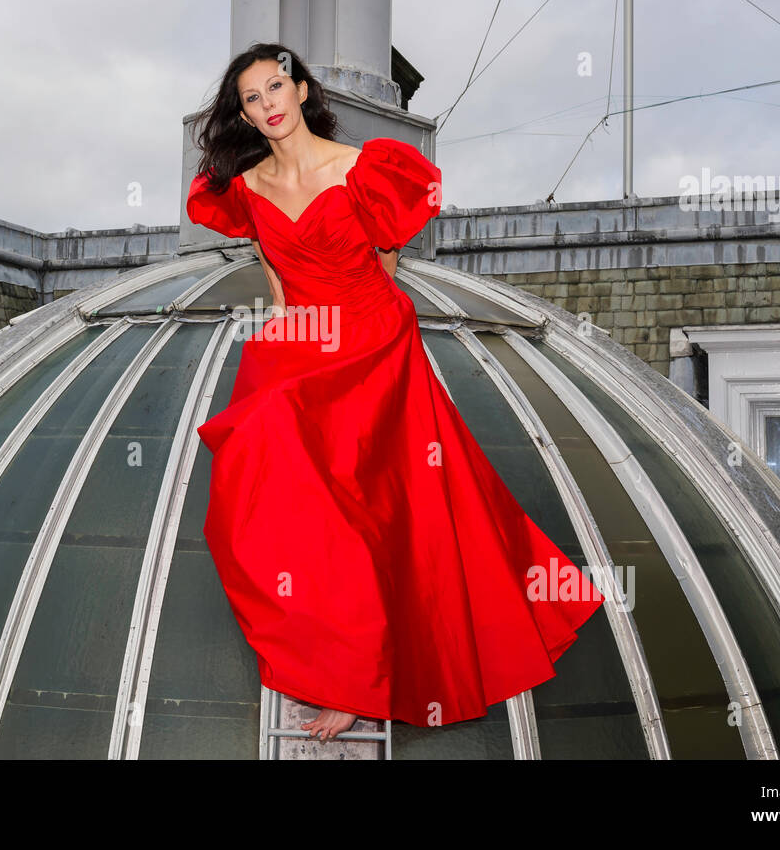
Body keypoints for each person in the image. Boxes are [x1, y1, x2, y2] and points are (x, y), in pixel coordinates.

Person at [186, 42, 605, 744]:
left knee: (376, 509)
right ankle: (324, 644)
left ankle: (357, 676)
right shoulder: (247, 187)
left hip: (373, 337)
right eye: (252, 98)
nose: (268, 104)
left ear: (301, 88)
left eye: (276, 87)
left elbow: (388, 258)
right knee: (251, 475)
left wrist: (358, 331)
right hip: (300, 339)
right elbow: (278, 283)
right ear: (245, 115)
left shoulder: (364, 168)